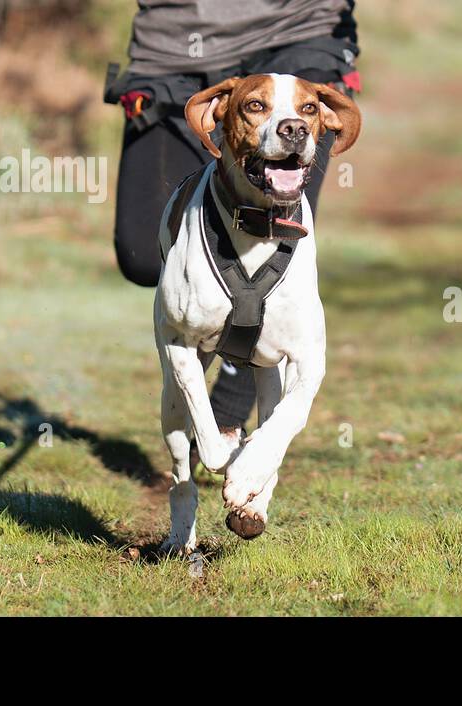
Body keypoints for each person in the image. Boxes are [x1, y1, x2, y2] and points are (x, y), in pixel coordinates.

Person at [105, 1, 360, 444]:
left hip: (299, 27)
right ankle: (215, 341)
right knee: (143, 254)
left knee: (276, 219)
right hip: (175, 39)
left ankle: (228, 412)